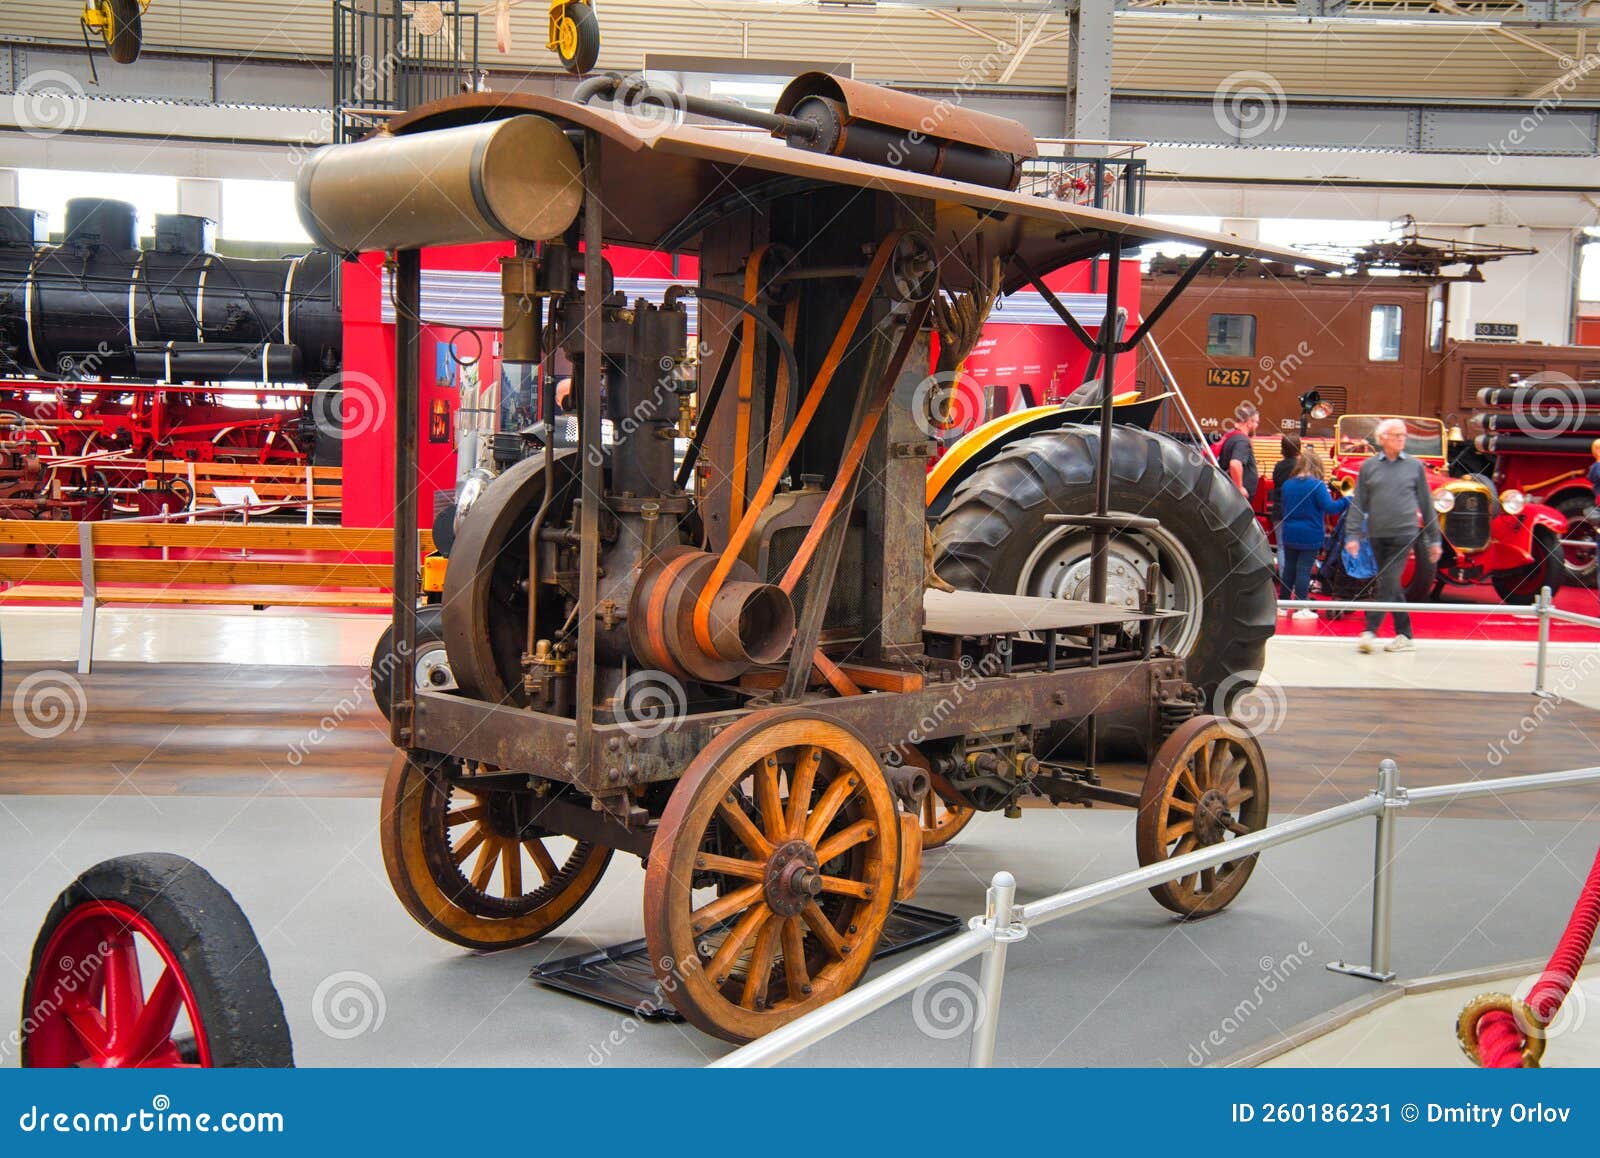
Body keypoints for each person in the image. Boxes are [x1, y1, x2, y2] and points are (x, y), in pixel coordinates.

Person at [1345, 417, 1442, 653]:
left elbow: (1426, 503)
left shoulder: (1415, 466)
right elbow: (1359, 503)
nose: (1402, 439)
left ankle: (1370, 631)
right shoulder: (1369, 467)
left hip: (1404, 532)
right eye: (1397, 435)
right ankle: (1405, 635)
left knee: (1387, 580)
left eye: (1403, 435)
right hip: (1377, 534)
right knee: (1392, 584)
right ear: (1383, 438)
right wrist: (1352, 535)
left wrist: (1434, 538)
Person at [1279, 449, 1347, 620]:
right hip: (1310, 534)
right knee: (1303, 570)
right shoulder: (1317, 486)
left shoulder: (1288, 485)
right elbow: (1330, 508)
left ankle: (1283, 606)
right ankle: (1301, 608)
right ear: (1317, 465)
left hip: (1289, 532)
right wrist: (1348, 499)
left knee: (1289, 569)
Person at [1270, 434, 1302, 601]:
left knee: (1282, 547)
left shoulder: (1278, 467)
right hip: (1296, 512)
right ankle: (1297, 584)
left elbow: (1275, 485)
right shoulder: (1301, 468)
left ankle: (1285, 583)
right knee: (1297, 549)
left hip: (1278, 510)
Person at [1216, 403, 1260, 501]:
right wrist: (1239, 487)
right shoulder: (1242, 441)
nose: (1257, 426)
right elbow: (1235, 464)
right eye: (1256, 422)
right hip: (1237, 498)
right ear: (1249, 422)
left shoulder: (1231, 437)